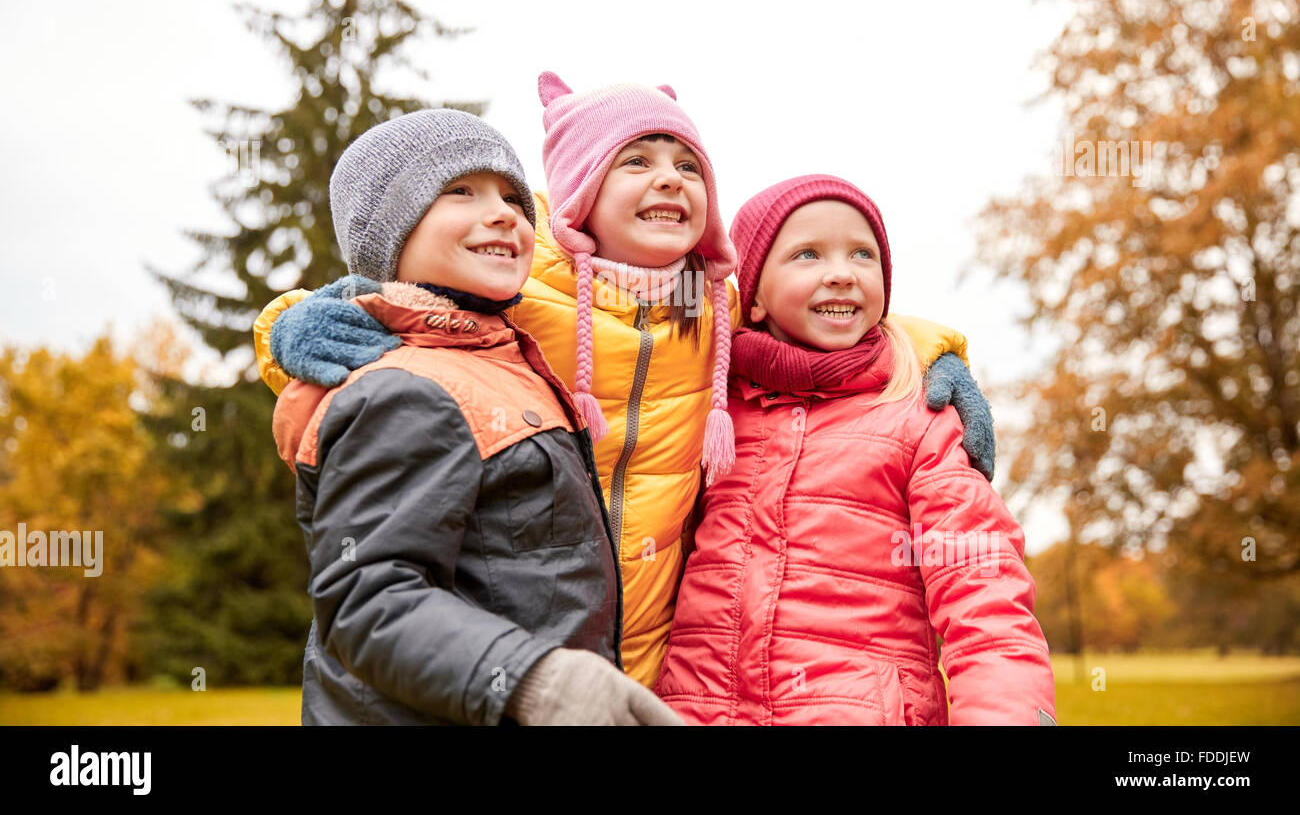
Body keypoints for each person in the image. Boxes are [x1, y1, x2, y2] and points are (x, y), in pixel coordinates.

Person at [253, 73, 994, 688]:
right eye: (635, 161)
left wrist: (930, 349)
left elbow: (819, 313)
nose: (669, 178)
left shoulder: (712, 309)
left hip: (651, 659)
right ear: (577, 195)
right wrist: (288, 323)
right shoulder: (517, 279)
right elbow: (406, 303)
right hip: (518, 649)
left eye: (688, 165)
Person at [272, 107, 682, 724]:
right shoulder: (404, 387)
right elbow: (366, 599)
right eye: (460, 191)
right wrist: (534, 680)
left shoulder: (510, 363)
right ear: (389, 231)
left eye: (515, 199)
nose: (504, 214)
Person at [654, 175, 1057, 725]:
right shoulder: (710, 407)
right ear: (754, 297)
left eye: (862, 254)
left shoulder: (919, 417)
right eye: (807, 254)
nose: (841, 272)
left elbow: (983, 592)